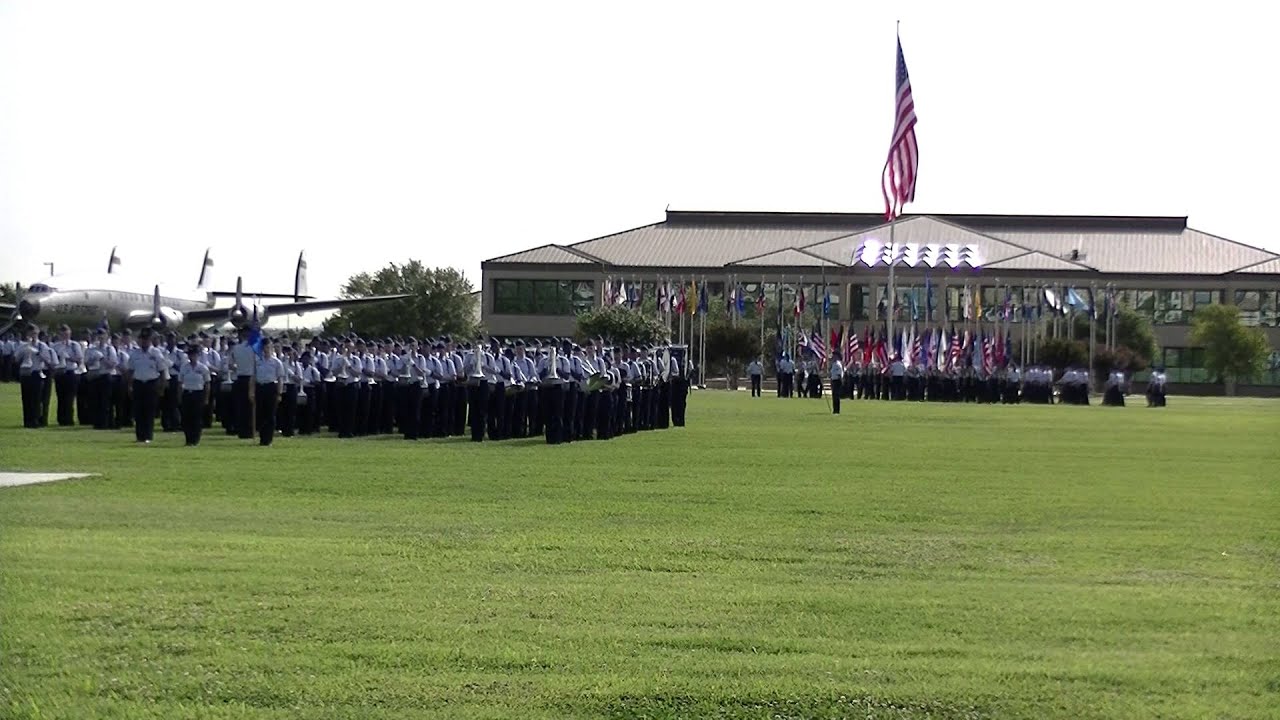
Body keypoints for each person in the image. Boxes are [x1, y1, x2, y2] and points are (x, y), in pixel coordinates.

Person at [123, 328, 167, 444]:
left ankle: (148, 436)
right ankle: (139, 436)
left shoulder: (156, 353)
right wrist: (129, 386)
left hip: (151, 383)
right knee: (138, 411)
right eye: (142, 339)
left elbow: (162, 371)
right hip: (138, 383)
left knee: (149, 411)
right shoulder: (135, 353)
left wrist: (162, 387)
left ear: (150, 340)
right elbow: (131, 371)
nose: (144, 342)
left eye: (146, 339)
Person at [178, 345, 212, 446]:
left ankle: (195, 439)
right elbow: (180, 382)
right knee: (186, 418)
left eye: (194, 355)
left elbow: (207, 384)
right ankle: (188, 439)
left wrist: (206, 398)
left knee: (196, 418)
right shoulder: (184, 367)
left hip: (198, 394)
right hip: (187, 393)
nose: (192, 357)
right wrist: (179, 396)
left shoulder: (203, 368)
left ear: (198, 355)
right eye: (190, 355)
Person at [254, 342, 285, 445]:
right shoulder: (257, 361)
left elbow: (280, 379)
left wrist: (279, 393)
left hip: (271, 387)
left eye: (268, 347)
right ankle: (262, 438)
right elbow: (253, 376)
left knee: (270, 414)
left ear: (271, 348)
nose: (266, 350)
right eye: (264, 348)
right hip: (260, 387)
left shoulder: (276, 362)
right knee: (260, 414)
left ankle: (268, 439)